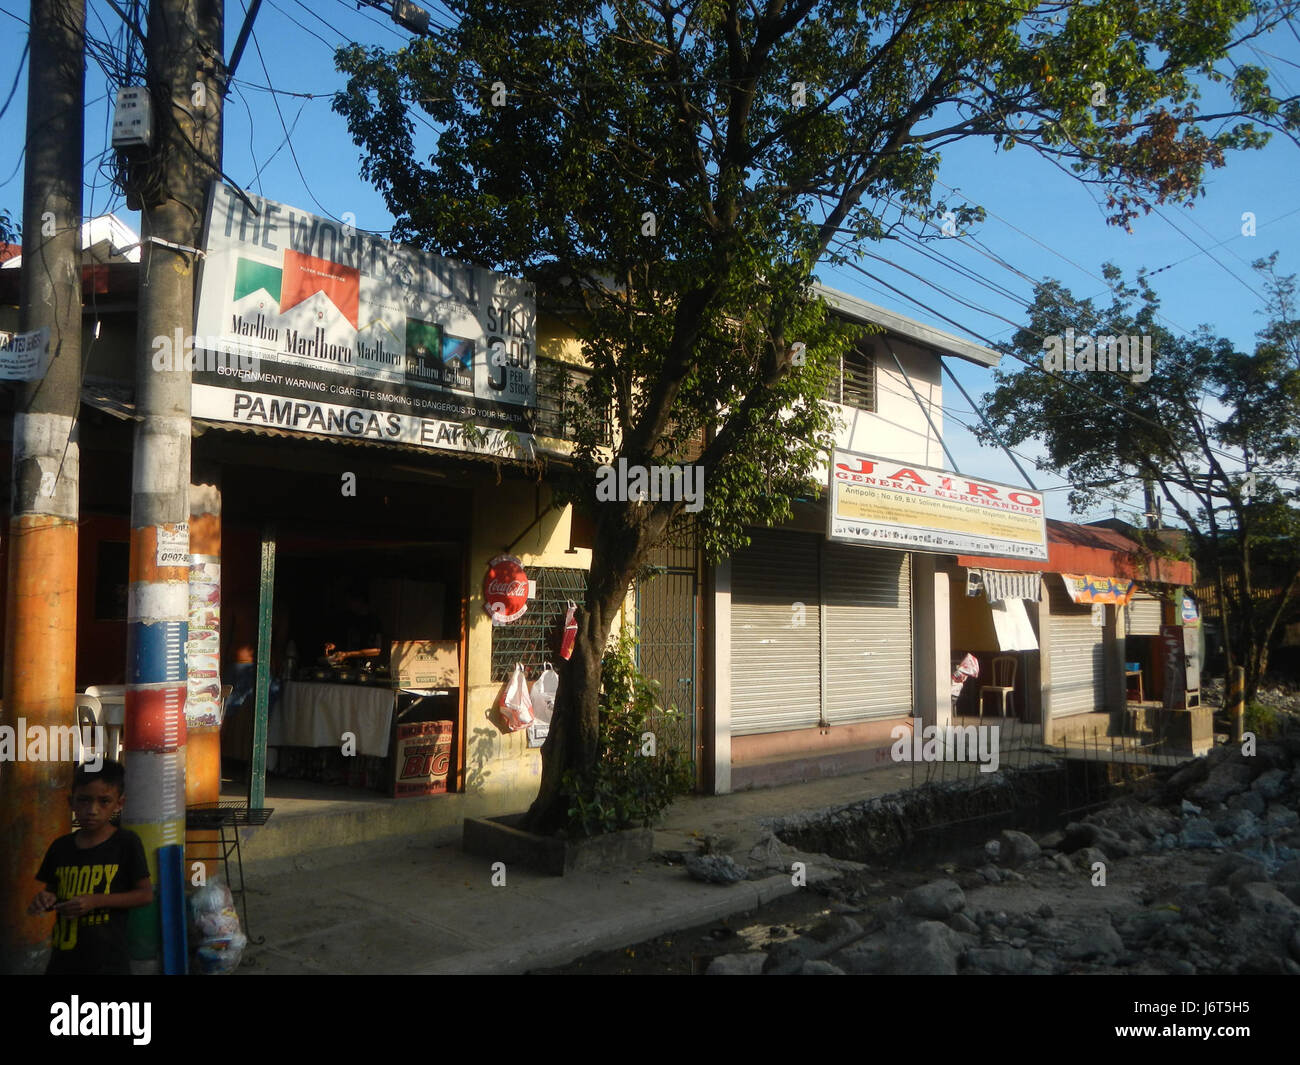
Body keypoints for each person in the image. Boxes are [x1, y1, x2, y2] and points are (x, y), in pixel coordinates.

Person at [27, 759, 152, 975]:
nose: (92, 810)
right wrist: (45, 900)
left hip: (108, 961)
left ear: (119, 804)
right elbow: (53, 891)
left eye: (104, 801)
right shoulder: (60, 847)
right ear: (71, 802)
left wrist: (96, 901)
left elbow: (145, 895)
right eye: (84, 800)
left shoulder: (126, 843)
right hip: (63, 959)